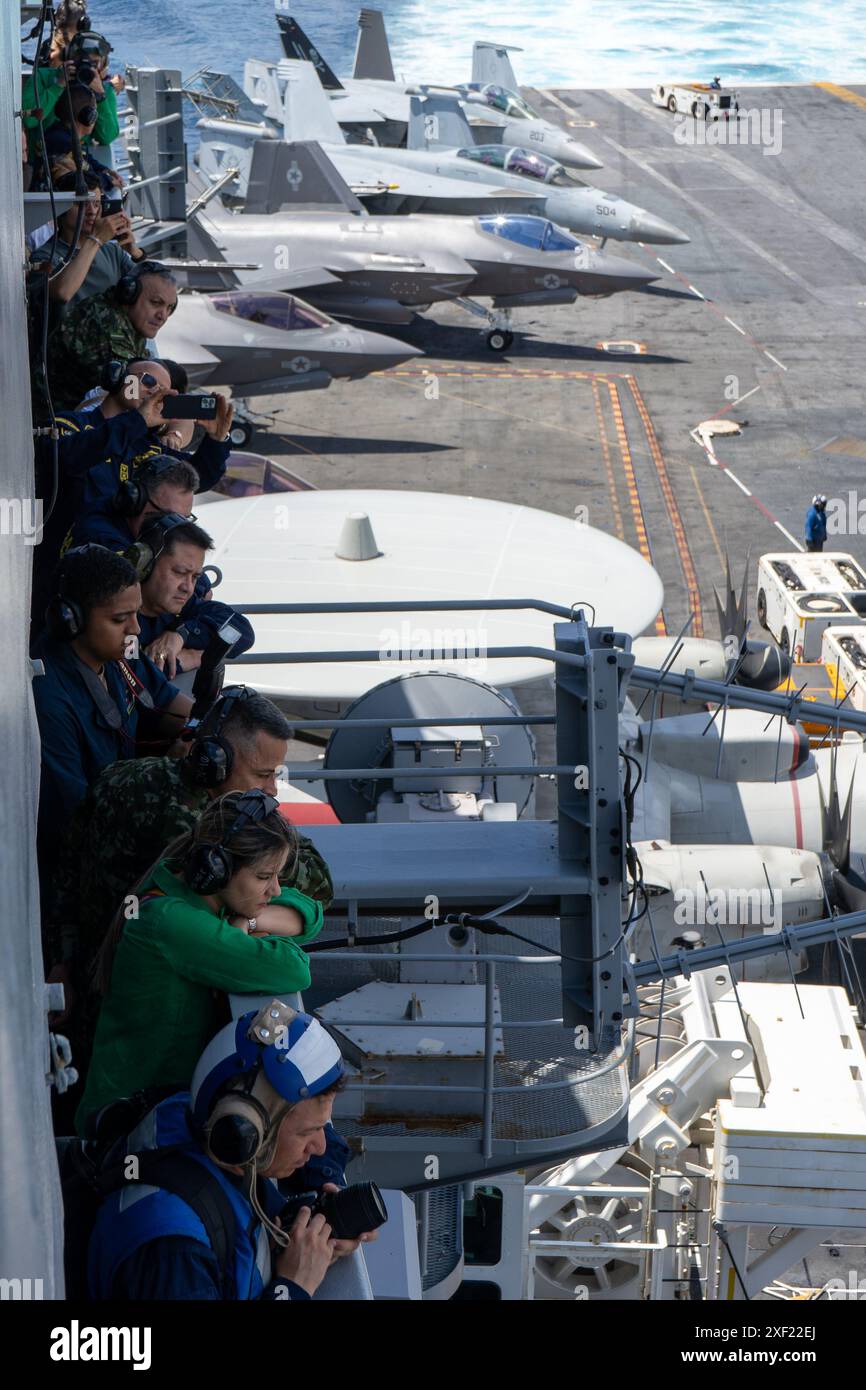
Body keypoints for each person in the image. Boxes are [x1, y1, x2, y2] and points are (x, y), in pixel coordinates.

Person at [46, 687, 333, 1019]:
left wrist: (61, 961)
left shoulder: (122, 776)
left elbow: (65, 872)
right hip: (151, 1011)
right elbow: (319, 883)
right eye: (263, 775)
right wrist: (252, 918)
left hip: (85, 985)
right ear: (216, 763)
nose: (272, 790)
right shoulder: (214, 838)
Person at [86, 1001, 376, 1300]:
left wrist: (309, 1221)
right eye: (308, 1133)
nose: (320, 1146)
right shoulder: (175, 1253)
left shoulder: (194, 1116)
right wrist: (293, 1287)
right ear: (246, 1130)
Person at [77, 791, 325, 1131]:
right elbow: (293, 969)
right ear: (218, 869)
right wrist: (246, 929)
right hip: (126, 1126)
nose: (276, 891)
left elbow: (311, 912)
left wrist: (251, 922)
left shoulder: (188, 888)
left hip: (154, 1108)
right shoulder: (172, 922)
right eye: (265, 877)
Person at [32, 545, 193, 868]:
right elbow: (76, 818)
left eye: (136, 613)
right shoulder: (47, 697)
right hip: (86, 861)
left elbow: (171, 708)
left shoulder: (120, 656)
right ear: (71, 620)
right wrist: (165, 775)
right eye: (120, 618)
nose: (134, 629)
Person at [39, 262, 178, 414]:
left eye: (169, 307)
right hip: (53, 425)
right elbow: (133, 395)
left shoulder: (128, 321)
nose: (162, 315)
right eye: (156, 303)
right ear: (129, 295)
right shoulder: (106, 325)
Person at [131, 514, 254, 673]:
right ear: (145, 564)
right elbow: (132, 678)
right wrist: (193, 658)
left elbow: (242, 632)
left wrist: (182, 634)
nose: (188, 587)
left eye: (195, 577)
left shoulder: (181, 605)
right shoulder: (115, 612)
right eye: (180, 572)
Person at [28, 171, 144, 326]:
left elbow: (150, 290)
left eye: (96, 204)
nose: (92, 211)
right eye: (81, 204)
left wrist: (136, 253)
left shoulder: (112, 252)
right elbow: (62, 293)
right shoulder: (43, 256)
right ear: (60, 209)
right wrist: (96, 239)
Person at [69, 453, 200, 552]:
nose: (177, 531)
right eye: (171, 518)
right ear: (135, 500)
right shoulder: (101, 538)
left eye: (184, 520)